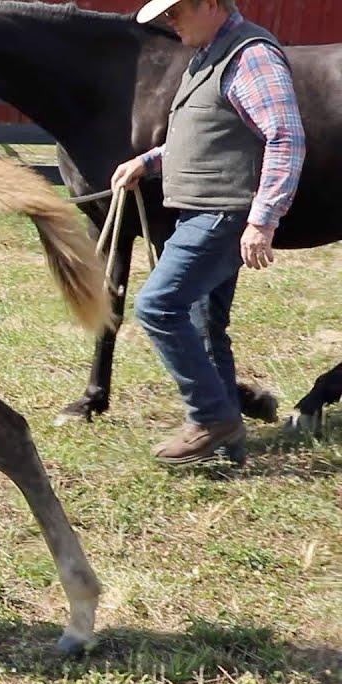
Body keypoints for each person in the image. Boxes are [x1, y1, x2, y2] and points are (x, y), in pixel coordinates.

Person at [112, 0, 305, 465]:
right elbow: (202, 131)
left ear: (212, 5)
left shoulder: (249, 55)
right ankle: (227, 446)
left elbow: (285, 137)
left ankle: (211, 418)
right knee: (204, 324)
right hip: (200, 211)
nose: (169, 22)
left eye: (176, 12)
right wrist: (147, 161)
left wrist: (263, 220)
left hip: (221, 215)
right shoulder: (208, 54)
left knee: (158, 306)